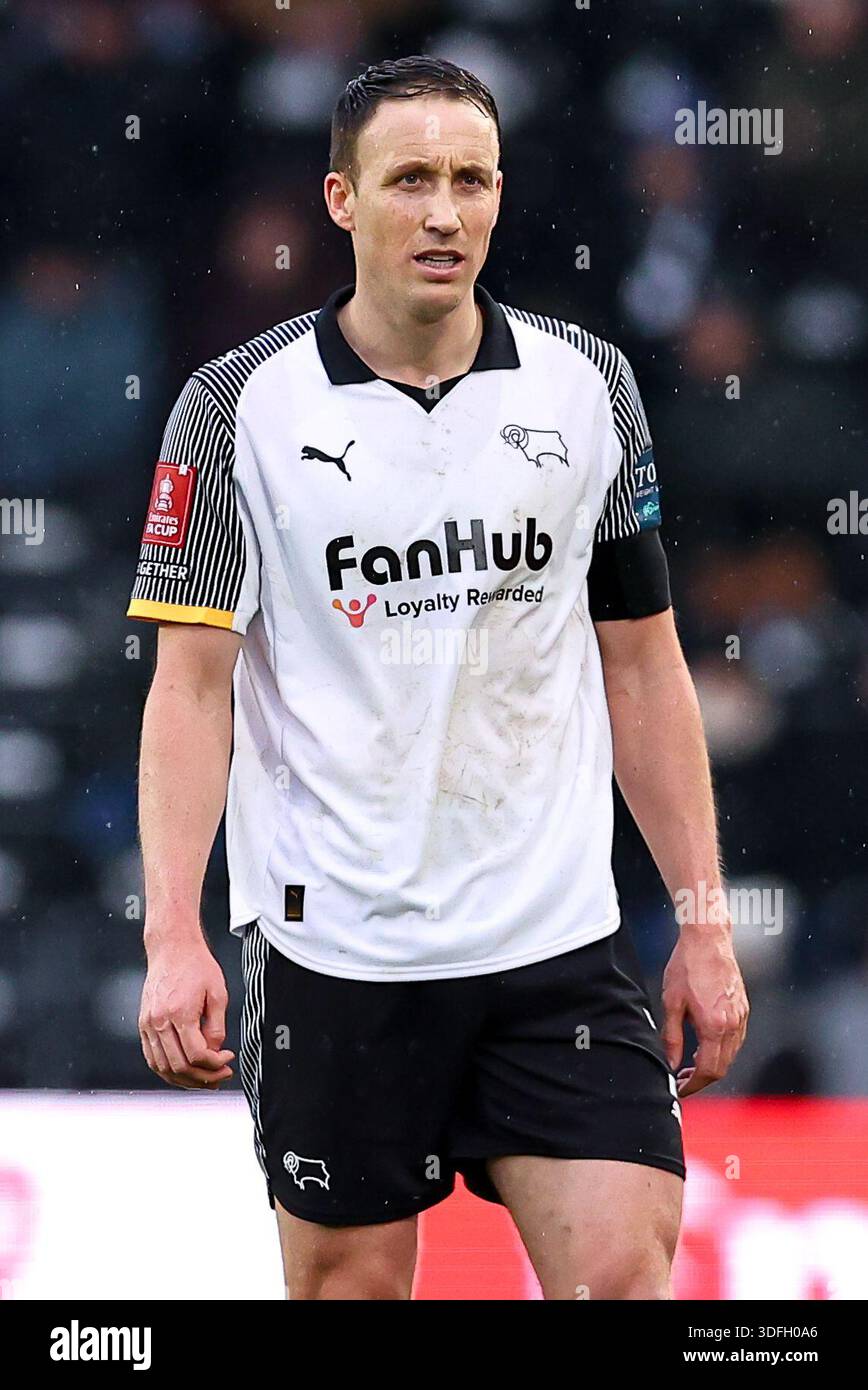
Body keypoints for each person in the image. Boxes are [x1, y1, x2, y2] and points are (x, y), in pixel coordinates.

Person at [128, 56, 748, 1301]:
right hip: (334, 951)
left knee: (623, 1279)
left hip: (552, 940)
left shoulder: (588, 389)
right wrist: (173, 933)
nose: (444, 211)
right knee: (351, 1293)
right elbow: (191, 687)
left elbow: (641, 662)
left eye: (471, 179)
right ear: (341, 199)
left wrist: (703, 919)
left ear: (502, 196)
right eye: (409, 179)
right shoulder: (234, 406)